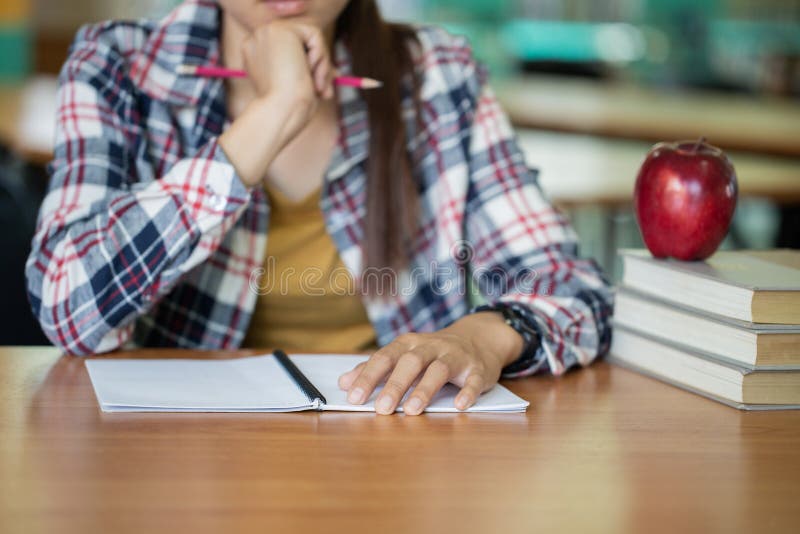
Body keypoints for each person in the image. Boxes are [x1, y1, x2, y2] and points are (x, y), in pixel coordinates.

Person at [26, 0, 612, 415]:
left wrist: (484, 337)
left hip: (397, 437)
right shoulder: (117, 63)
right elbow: (67, 308)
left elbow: (572, 288)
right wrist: (275, 111)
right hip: (186, 453)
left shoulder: (438, 74)